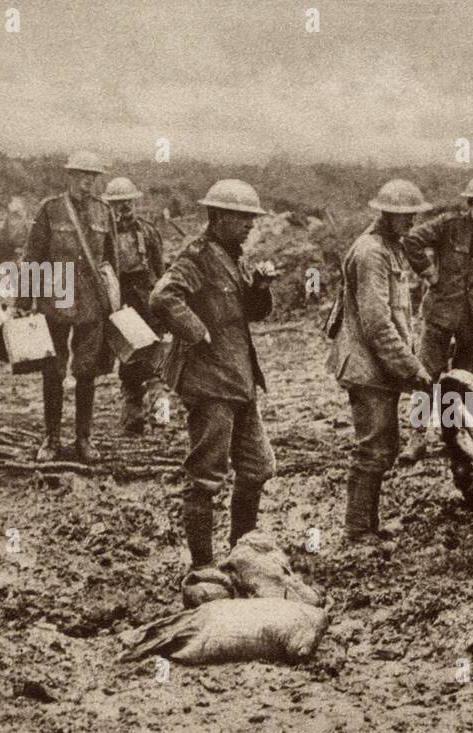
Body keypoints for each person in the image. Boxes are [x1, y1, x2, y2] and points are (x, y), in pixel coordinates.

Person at [148, 179, 279, 574]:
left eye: (252, 220)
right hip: (209, 382)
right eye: (242, 219)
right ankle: (203, 568)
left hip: (238, 379)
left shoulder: (233, 256)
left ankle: (241, 556)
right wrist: (197, 330)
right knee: (206, 476)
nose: (249, 226)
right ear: (218, 218)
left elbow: (252, 313)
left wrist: (261, 287)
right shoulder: (197, 257)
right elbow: (162, 297)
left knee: (257, 467)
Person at [327, 179, 434, 543]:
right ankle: (356, 529)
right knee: (373, 447)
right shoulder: (371, 252)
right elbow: (377, 324)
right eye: (402, 216)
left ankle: (368, 525)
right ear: (385, 214)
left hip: (379, 366)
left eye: (413, 216)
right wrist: (411, 368)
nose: (410, 222)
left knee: (383, 446)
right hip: (367, 366)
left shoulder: (390, 248)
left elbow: (399, 317)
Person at [400, 175, 473, 496]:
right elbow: (410, 241)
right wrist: (428, 272)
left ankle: (452, 436)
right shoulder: (447, 224)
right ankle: (418, 436)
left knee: (463, 379)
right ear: (472, 203)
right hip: (440, 312)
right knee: (427, 376)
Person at [16, 150, 118, 463]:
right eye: (81, 177)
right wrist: (23, 301)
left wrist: (115, 302)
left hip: (91, 303)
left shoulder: (104, 212)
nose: (86, 184)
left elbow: (111, 263)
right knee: (53, 370)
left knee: (86, 371)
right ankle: (51, 437)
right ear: (69, 176)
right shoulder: (50, 209)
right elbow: (32, 258)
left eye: (92, 178)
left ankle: (84, 439)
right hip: (55, 300)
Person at [102, 176, 169, 435]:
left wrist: (163, 308)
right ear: (110, 206)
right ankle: (133, 421)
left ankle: (161, 420)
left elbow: (161, 273)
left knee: (156, 364)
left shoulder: (149, 231)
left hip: (147, 305)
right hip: (120, 306)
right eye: (118, 203)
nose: (124, 208)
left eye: (128, 202)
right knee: (128, 364)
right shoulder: (104, 237)